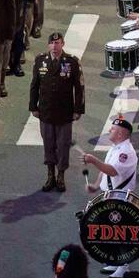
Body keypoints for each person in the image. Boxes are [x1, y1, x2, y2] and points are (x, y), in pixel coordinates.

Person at [28, 31, 85, 192]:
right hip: (46, 111)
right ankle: (50, 175)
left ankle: (61, 175)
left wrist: (78, 109)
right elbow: (34, 85)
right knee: (48, 144)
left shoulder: (72, 62)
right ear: (48, 45)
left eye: (58, 43)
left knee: (63, 145)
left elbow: (79, 88)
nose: (54, 46)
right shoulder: (40, 60)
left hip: (64, 112)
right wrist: (33, 106)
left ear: (63, 44)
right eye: (52, 43)